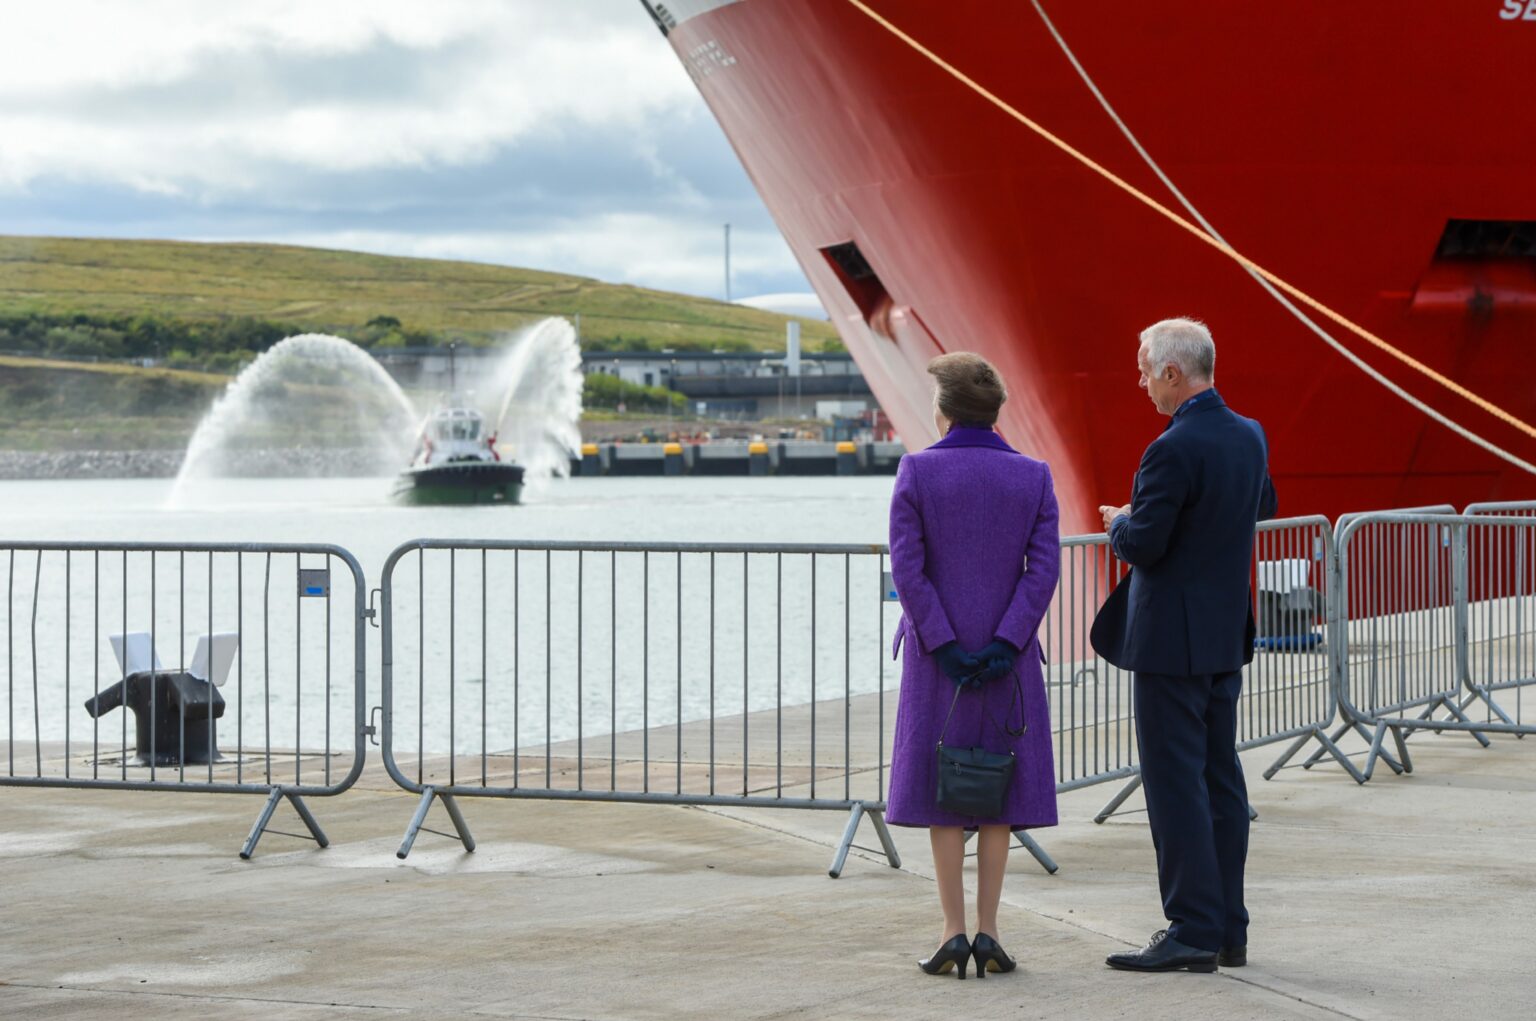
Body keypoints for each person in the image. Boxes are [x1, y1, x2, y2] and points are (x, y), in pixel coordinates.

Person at [1091, 317, 1278, 974]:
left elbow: (1145, 544)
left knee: (1175, 786)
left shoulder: (1170, 449)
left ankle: (1191, 925)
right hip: (1225, 636)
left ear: (1173, 372)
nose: (1141, 382)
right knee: (1220, 779)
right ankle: (1229, 926)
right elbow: (1265, 504)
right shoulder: (1248, 433)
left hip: (1170, 641)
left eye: (1145, 369)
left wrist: (1120, 524)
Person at [886, 352, 1060, 980]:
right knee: (998, 791)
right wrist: (1006, 642)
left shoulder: (917, 471)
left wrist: (945, 643)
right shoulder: (1034, 476)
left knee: (945, 792)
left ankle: (952, 933)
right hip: (1008, 663)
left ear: (944, 409)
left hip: (938, 664)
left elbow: (908, 569)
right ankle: (990, 932)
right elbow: (1042, 572)